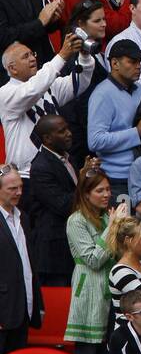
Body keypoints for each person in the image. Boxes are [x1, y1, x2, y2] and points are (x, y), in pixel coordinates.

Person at [0, 30, 93, 184]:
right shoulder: (5, 93)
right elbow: (33, 90)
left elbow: (79, 83)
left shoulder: (47, 85)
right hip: (27, 176)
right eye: (25, 56)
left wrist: (85, 57)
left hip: (58, 169)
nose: (32, 59)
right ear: (12, 68)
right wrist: (62, 56)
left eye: (32, 54)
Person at [63, 168, 115, 354]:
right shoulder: (76, 221)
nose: (106, 194)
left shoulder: (107, 217)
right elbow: (93, 259)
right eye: (100, 190)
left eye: (107, 189)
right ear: (85, 194)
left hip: (110, 296)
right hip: (88, 296)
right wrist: (113, 228)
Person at [86, 40, 141, 200]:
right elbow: (95, 141)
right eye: (132, 62)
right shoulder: (102, 94)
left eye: (139, 61)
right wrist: (137, 132)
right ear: (115, 63)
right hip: (117, 179)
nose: (138, 66)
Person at [28, 115, 83, 285]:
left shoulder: (67, 158)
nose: (69, 134)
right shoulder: (41, 167)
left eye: (67, 128)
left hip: (71, 243)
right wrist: (85, 183)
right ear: (47, 139)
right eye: (62, 131)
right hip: (55, 253)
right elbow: (63, 205)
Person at [0, 163, 42, 354]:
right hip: (4, 312)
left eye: (21, 187)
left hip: (22, 309)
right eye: (12, 189)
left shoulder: (23, 217)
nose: (19, 192)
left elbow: (28, 263)